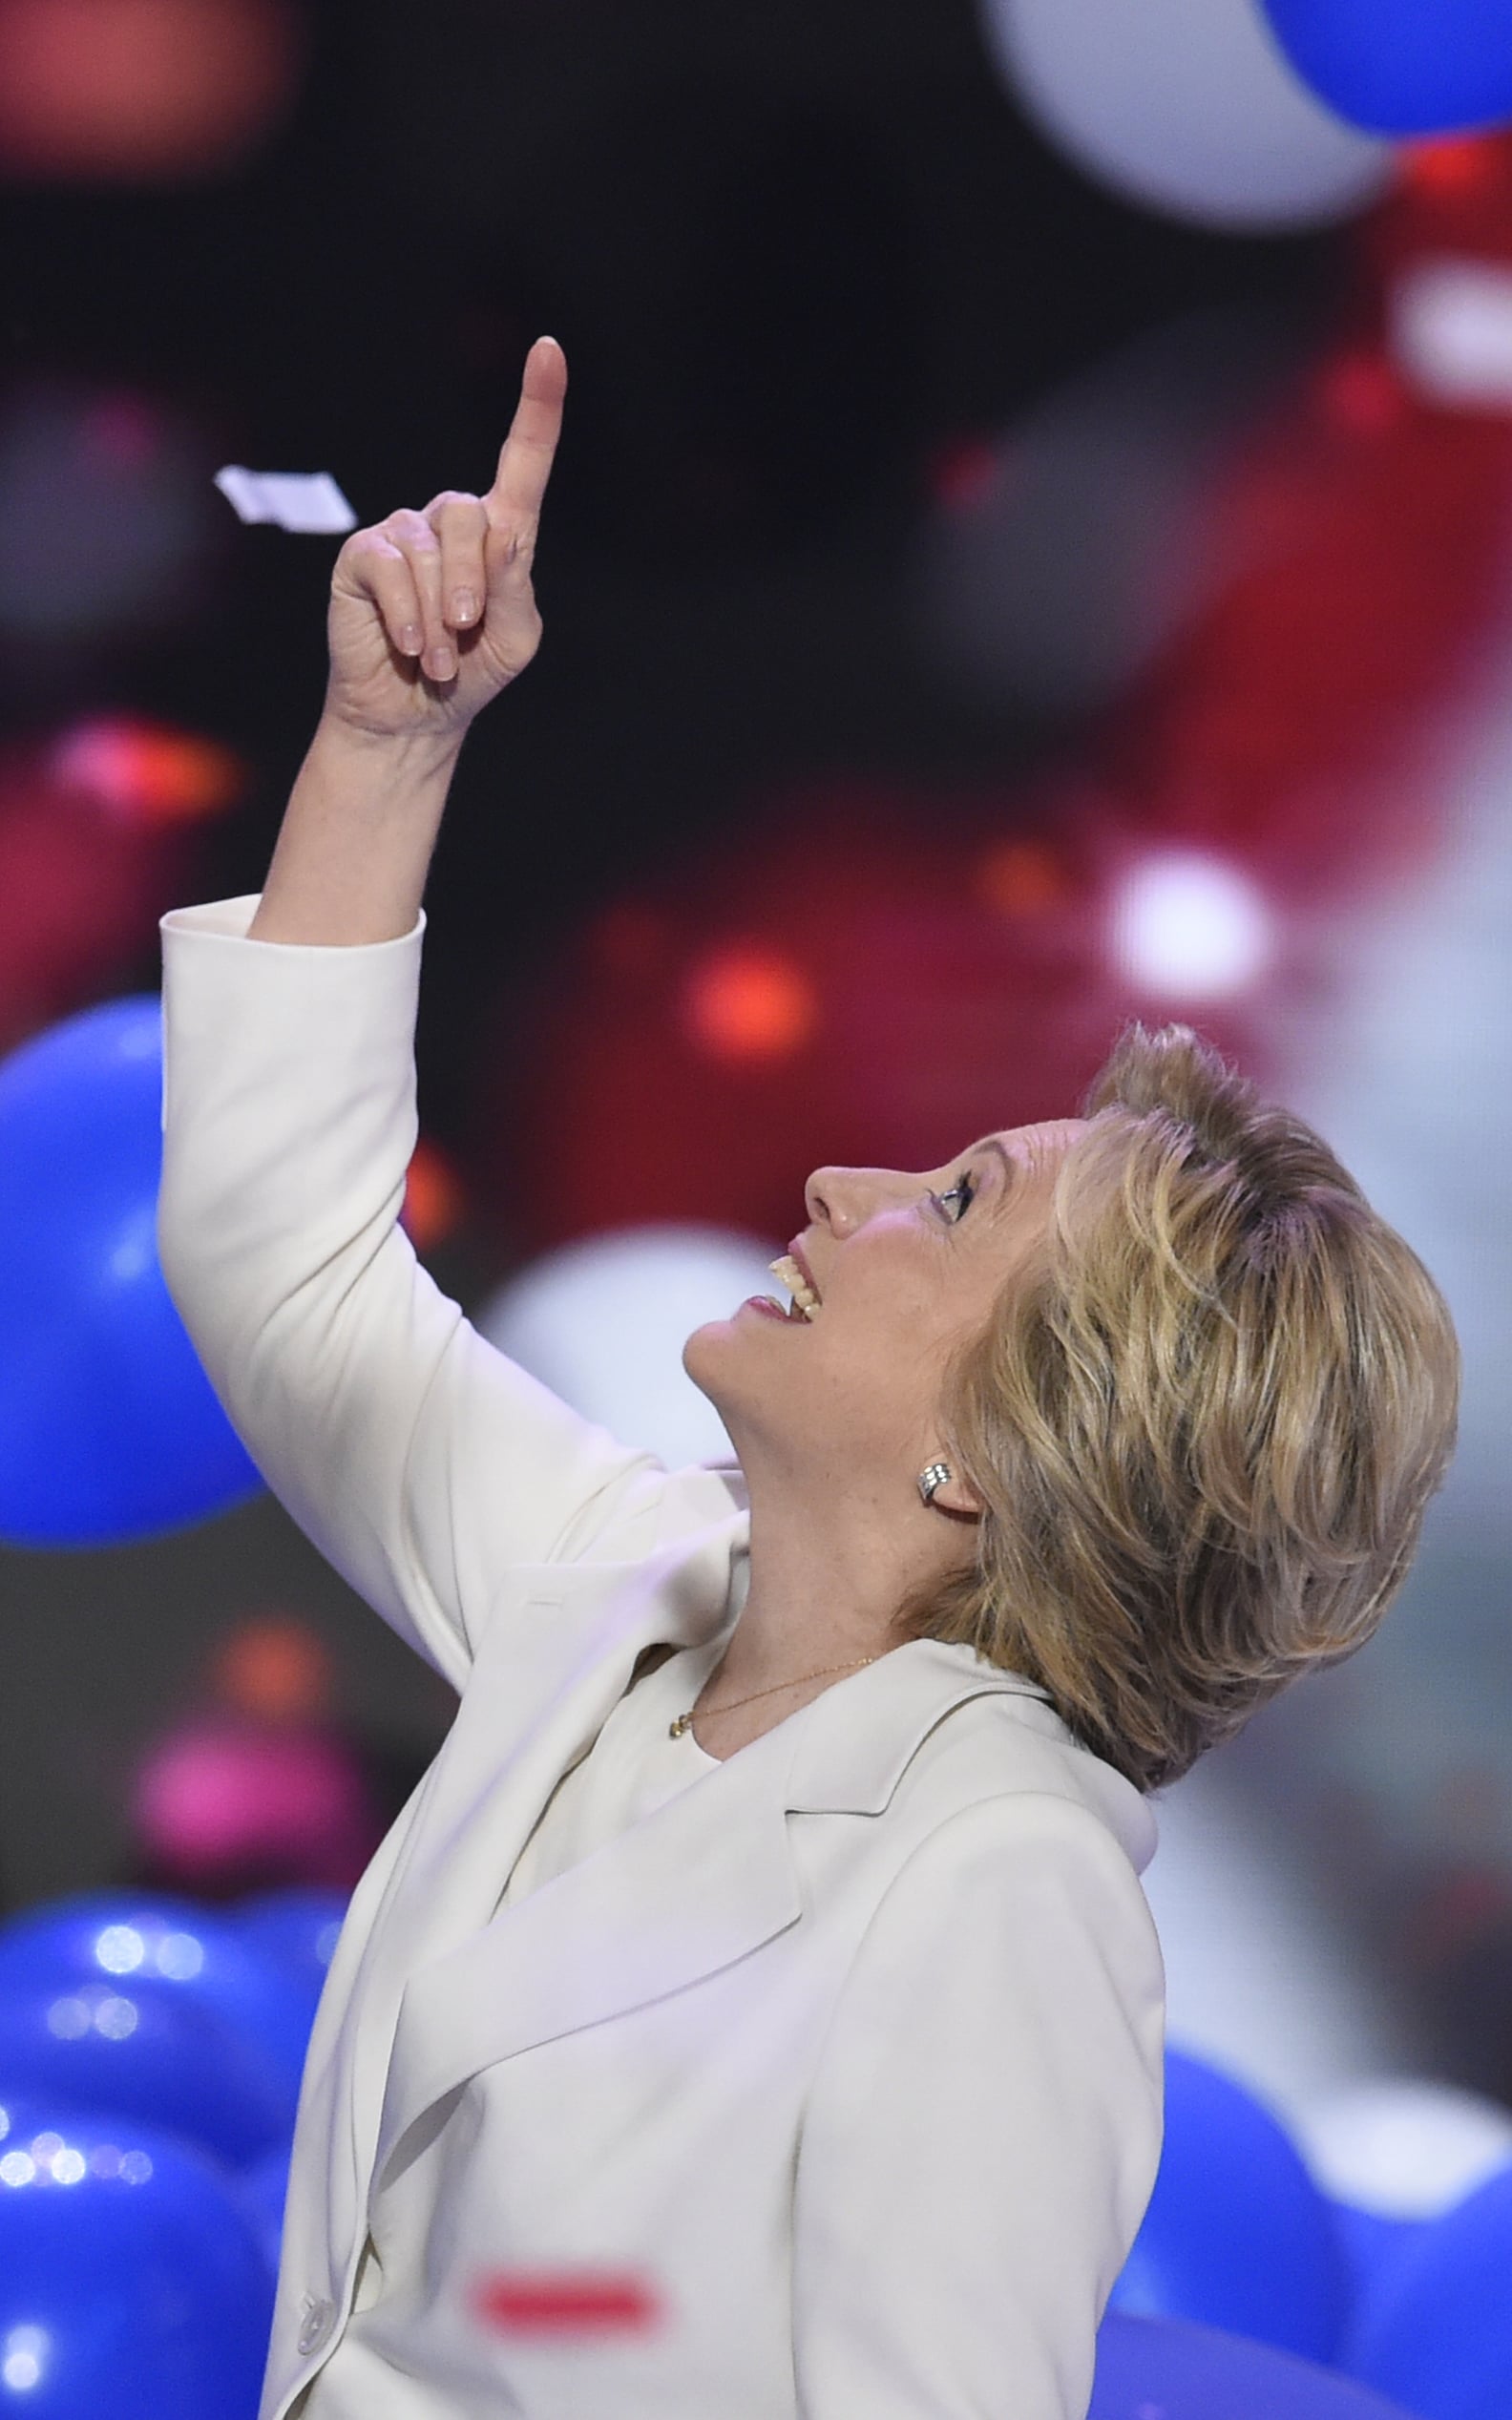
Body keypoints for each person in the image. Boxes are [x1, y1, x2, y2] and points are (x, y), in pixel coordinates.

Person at [156, 336, 1461, 2420]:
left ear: (1001, 1446)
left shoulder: (998, 1880)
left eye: (948, 1204)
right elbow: (284, 1274)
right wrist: (390, 748)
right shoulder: (633, 1585)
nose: (848, 1179)